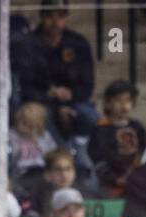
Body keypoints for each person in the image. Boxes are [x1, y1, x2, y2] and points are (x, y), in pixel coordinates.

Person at [13, 0, 96, 137]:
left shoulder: (78, 42)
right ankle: (59, 154)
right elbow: (24, 86)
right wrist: (50, 95)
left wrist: (71, 94)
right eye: (50, 16)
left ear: (66, 17)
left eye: (60, 16)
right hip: (39, 101)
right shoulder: (26, 43)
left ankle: (79, 153)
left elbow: (88, 84)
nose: (55, 21)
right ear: (42, 16)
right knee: (41, 118)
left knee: (92, 118)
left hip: (74, 102)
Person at [87, 80, 146, 197]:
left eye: (128, 100)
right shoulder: (101, 129)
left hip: (136, 179)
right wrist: (113, 178)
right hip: (110, 182)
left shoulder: (137, 126)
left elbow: (145, 150)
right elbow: (98, 158)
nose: (124, 105)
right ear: (108, 103)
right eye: (118, 100)